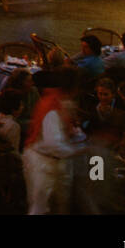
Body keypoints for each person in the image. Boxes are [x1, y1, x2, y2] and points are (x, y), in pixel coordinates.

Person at [23, 68, 85, 214]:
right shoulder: (52, 106)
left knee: (60, 206)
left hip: (56, 161)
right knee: (40, 208)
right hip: (42, 161)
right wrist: (79, 150)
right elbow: (53, 144)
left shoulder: (61, 102)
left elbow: (68, 130)